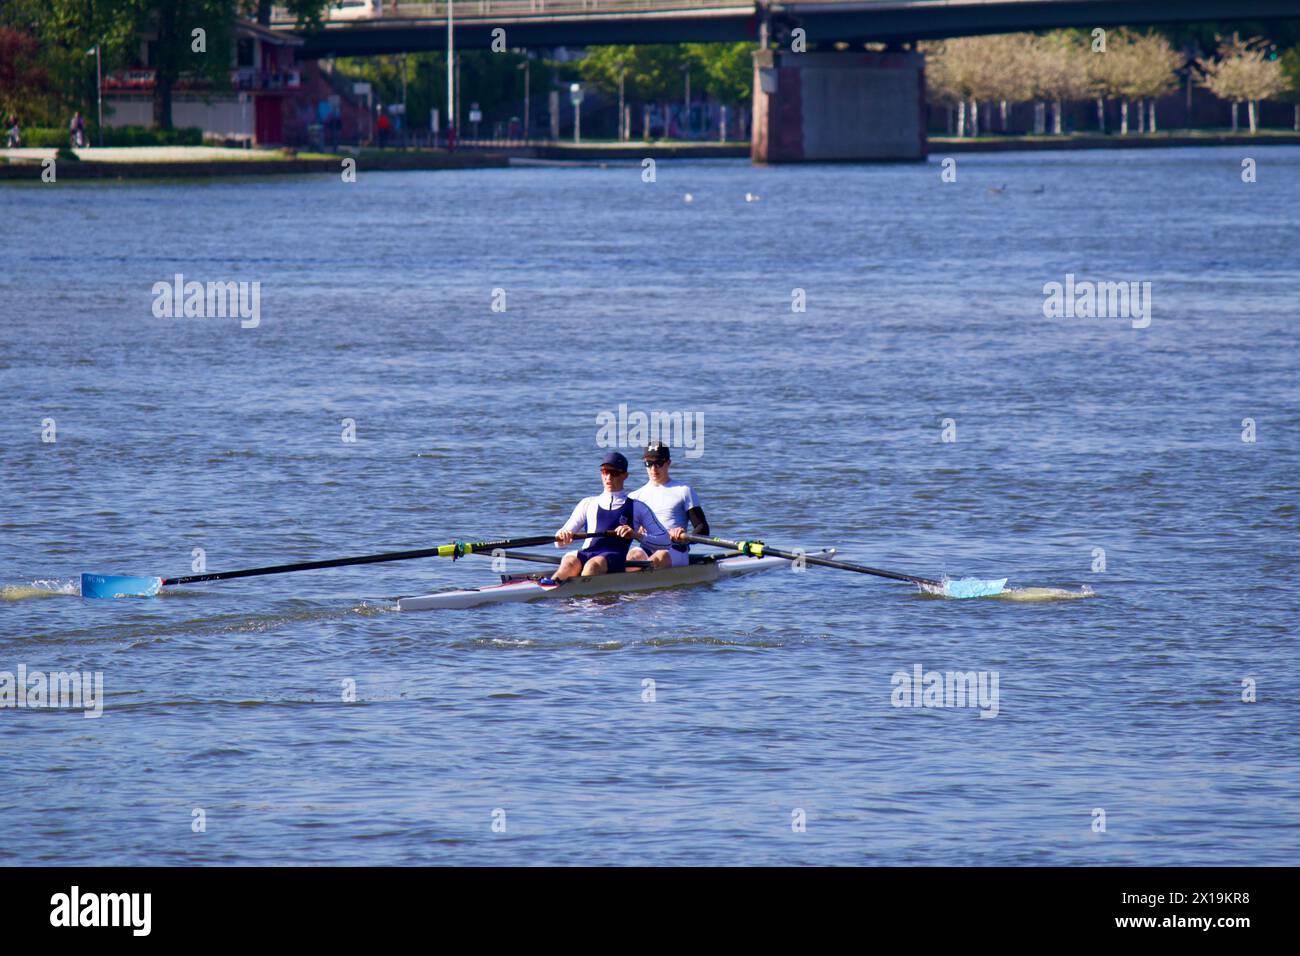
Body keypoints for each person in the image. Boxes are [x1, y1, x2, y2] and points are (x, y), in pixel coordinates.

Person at [545, 452, 673, 583]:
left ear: (625, 476)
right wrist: (563, 537)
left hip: (615, 557)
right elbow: (558, 543)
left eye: (614, 473)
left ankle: (582, 599)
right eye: (605, 472)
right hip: (587, 552)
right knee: (569, 562)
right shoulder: (587, 503)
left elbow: (665, 541)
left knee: (593, 565)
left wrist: (636, 535)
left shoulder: (637, 507)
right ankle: (551, 591)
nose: (609, 477)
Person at [626, 440, 710, 569]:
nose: (654, 469)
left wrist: (685, 538)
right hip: (647, 546)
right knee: (631, 558)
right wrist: (636, 529)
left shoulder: (684, 490)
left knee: (659, 557)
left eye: (659, 463)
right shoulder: (635, 496)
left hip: (675, 547)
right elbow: (626, 529)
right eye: (649, 464)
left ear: (668, 463)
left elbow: (702, 528)